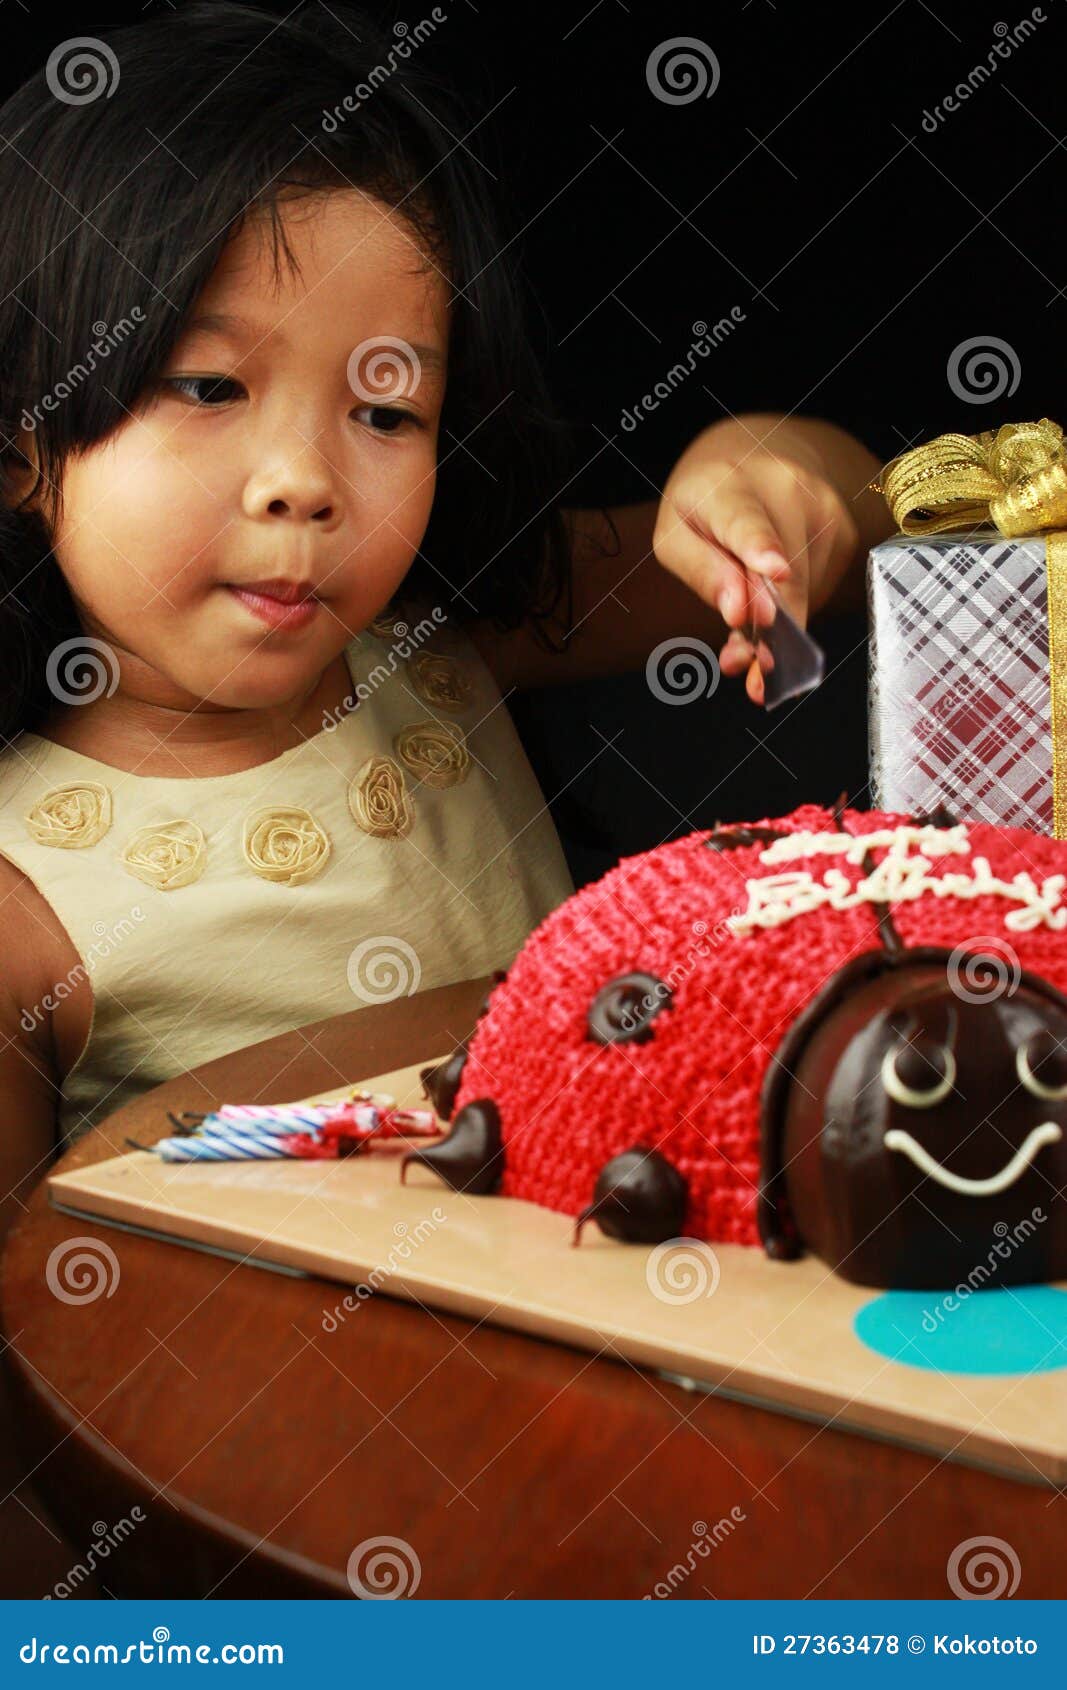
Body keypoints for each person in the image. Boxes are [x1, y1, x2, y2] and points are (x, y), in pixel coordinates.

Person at [0, 2, 892, 1226]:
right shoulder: (23, 906)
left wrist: (756, 474)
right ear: (24, 441)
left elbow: (849, 530)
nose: (303, 480)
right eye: (209, 386)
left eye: (383, 410)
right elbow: (32, 1345)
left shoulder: (441, 641)